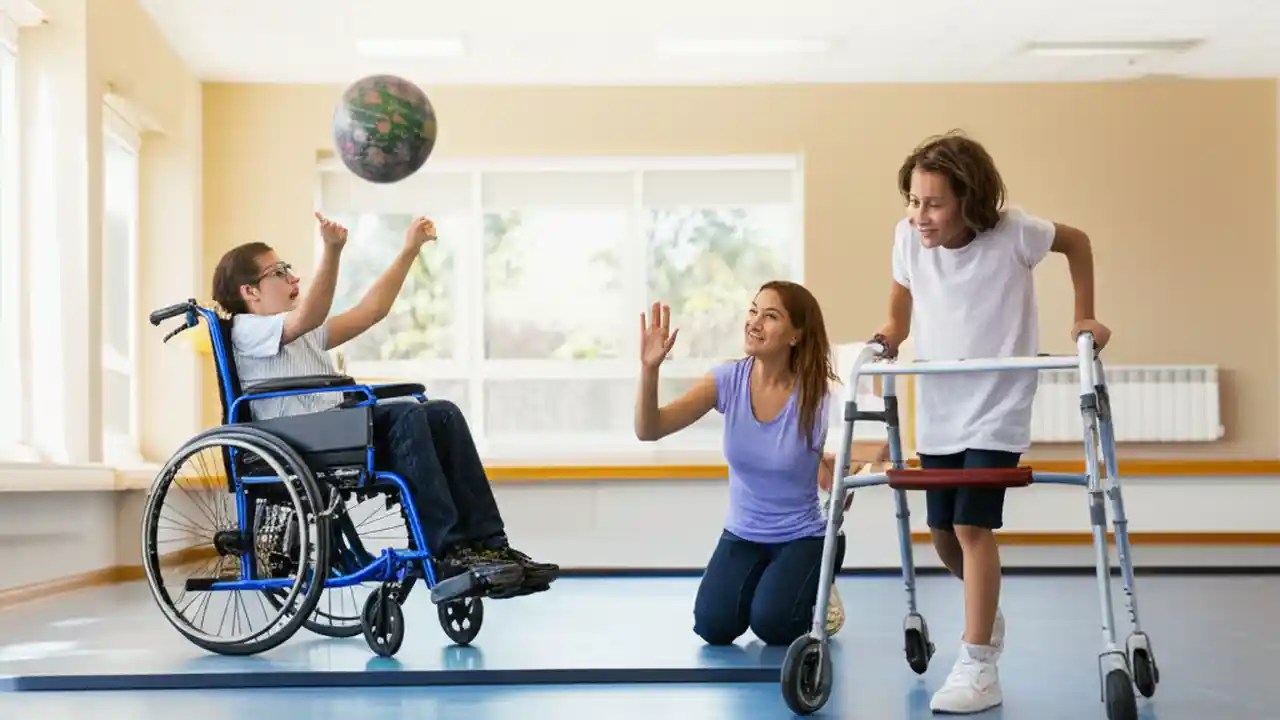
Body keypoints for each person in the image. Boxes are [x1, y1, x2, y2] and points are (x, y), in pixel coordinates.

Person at [874, 131, 1110, 714]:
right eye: (913, 200)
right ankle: (988, 611)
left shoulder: (1014, 233)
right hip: (939, 405)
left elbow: (1077, 243)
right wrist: (888, 337)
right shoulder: (907, 239)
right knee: (944, 534)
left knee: (976, 529)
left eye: (934, 203)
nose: (919, 215)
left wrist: (1085, 315)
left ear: (969, 200)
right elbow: (899, 310)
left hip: (998, 403)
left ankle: (978, 663)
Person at [209, 213, 559, 599]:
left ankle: (489, 545)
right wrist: (332, 250)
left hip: (331, 429)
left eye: (289, 269)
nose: (293, 278)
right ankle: (446, 552)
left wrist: (408, 251)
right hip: (300, 438)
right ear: (250, 292)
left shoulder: (299, 330)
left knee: (442, 413)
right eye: (279, 271)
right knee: (406, 413)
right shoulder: (248, 329)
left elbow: (371, 311)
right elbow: (310, 313)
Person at [633, 281, 848, 646]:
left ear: (796, 335)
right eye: (753, 311)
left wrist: (839, 475)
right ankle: (777, 582)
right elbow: (649, 429)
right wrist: (649, 369)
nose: (755, 322)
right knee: (713, 626)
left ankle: (817, 588)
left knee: (773, 626)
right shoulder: (726, 381)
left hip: (802, 535)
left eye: (771, 316)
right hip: (743, 533)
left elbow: (833, 458)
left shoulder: (815, 394)